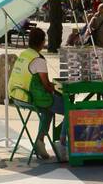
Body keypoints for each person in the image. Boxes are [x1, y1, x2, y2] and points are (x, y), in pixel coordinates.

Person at [7, 27, 65, 162]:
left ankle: (40, 141)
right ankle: (63, 142)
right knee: (70, 109)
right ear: (42, 42)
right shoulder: (38, 60)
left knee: (48, 111)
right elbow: (46, 85)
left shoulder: (24, 54)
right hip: (32, 98)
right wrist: (57, 89)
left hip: (17, 96)